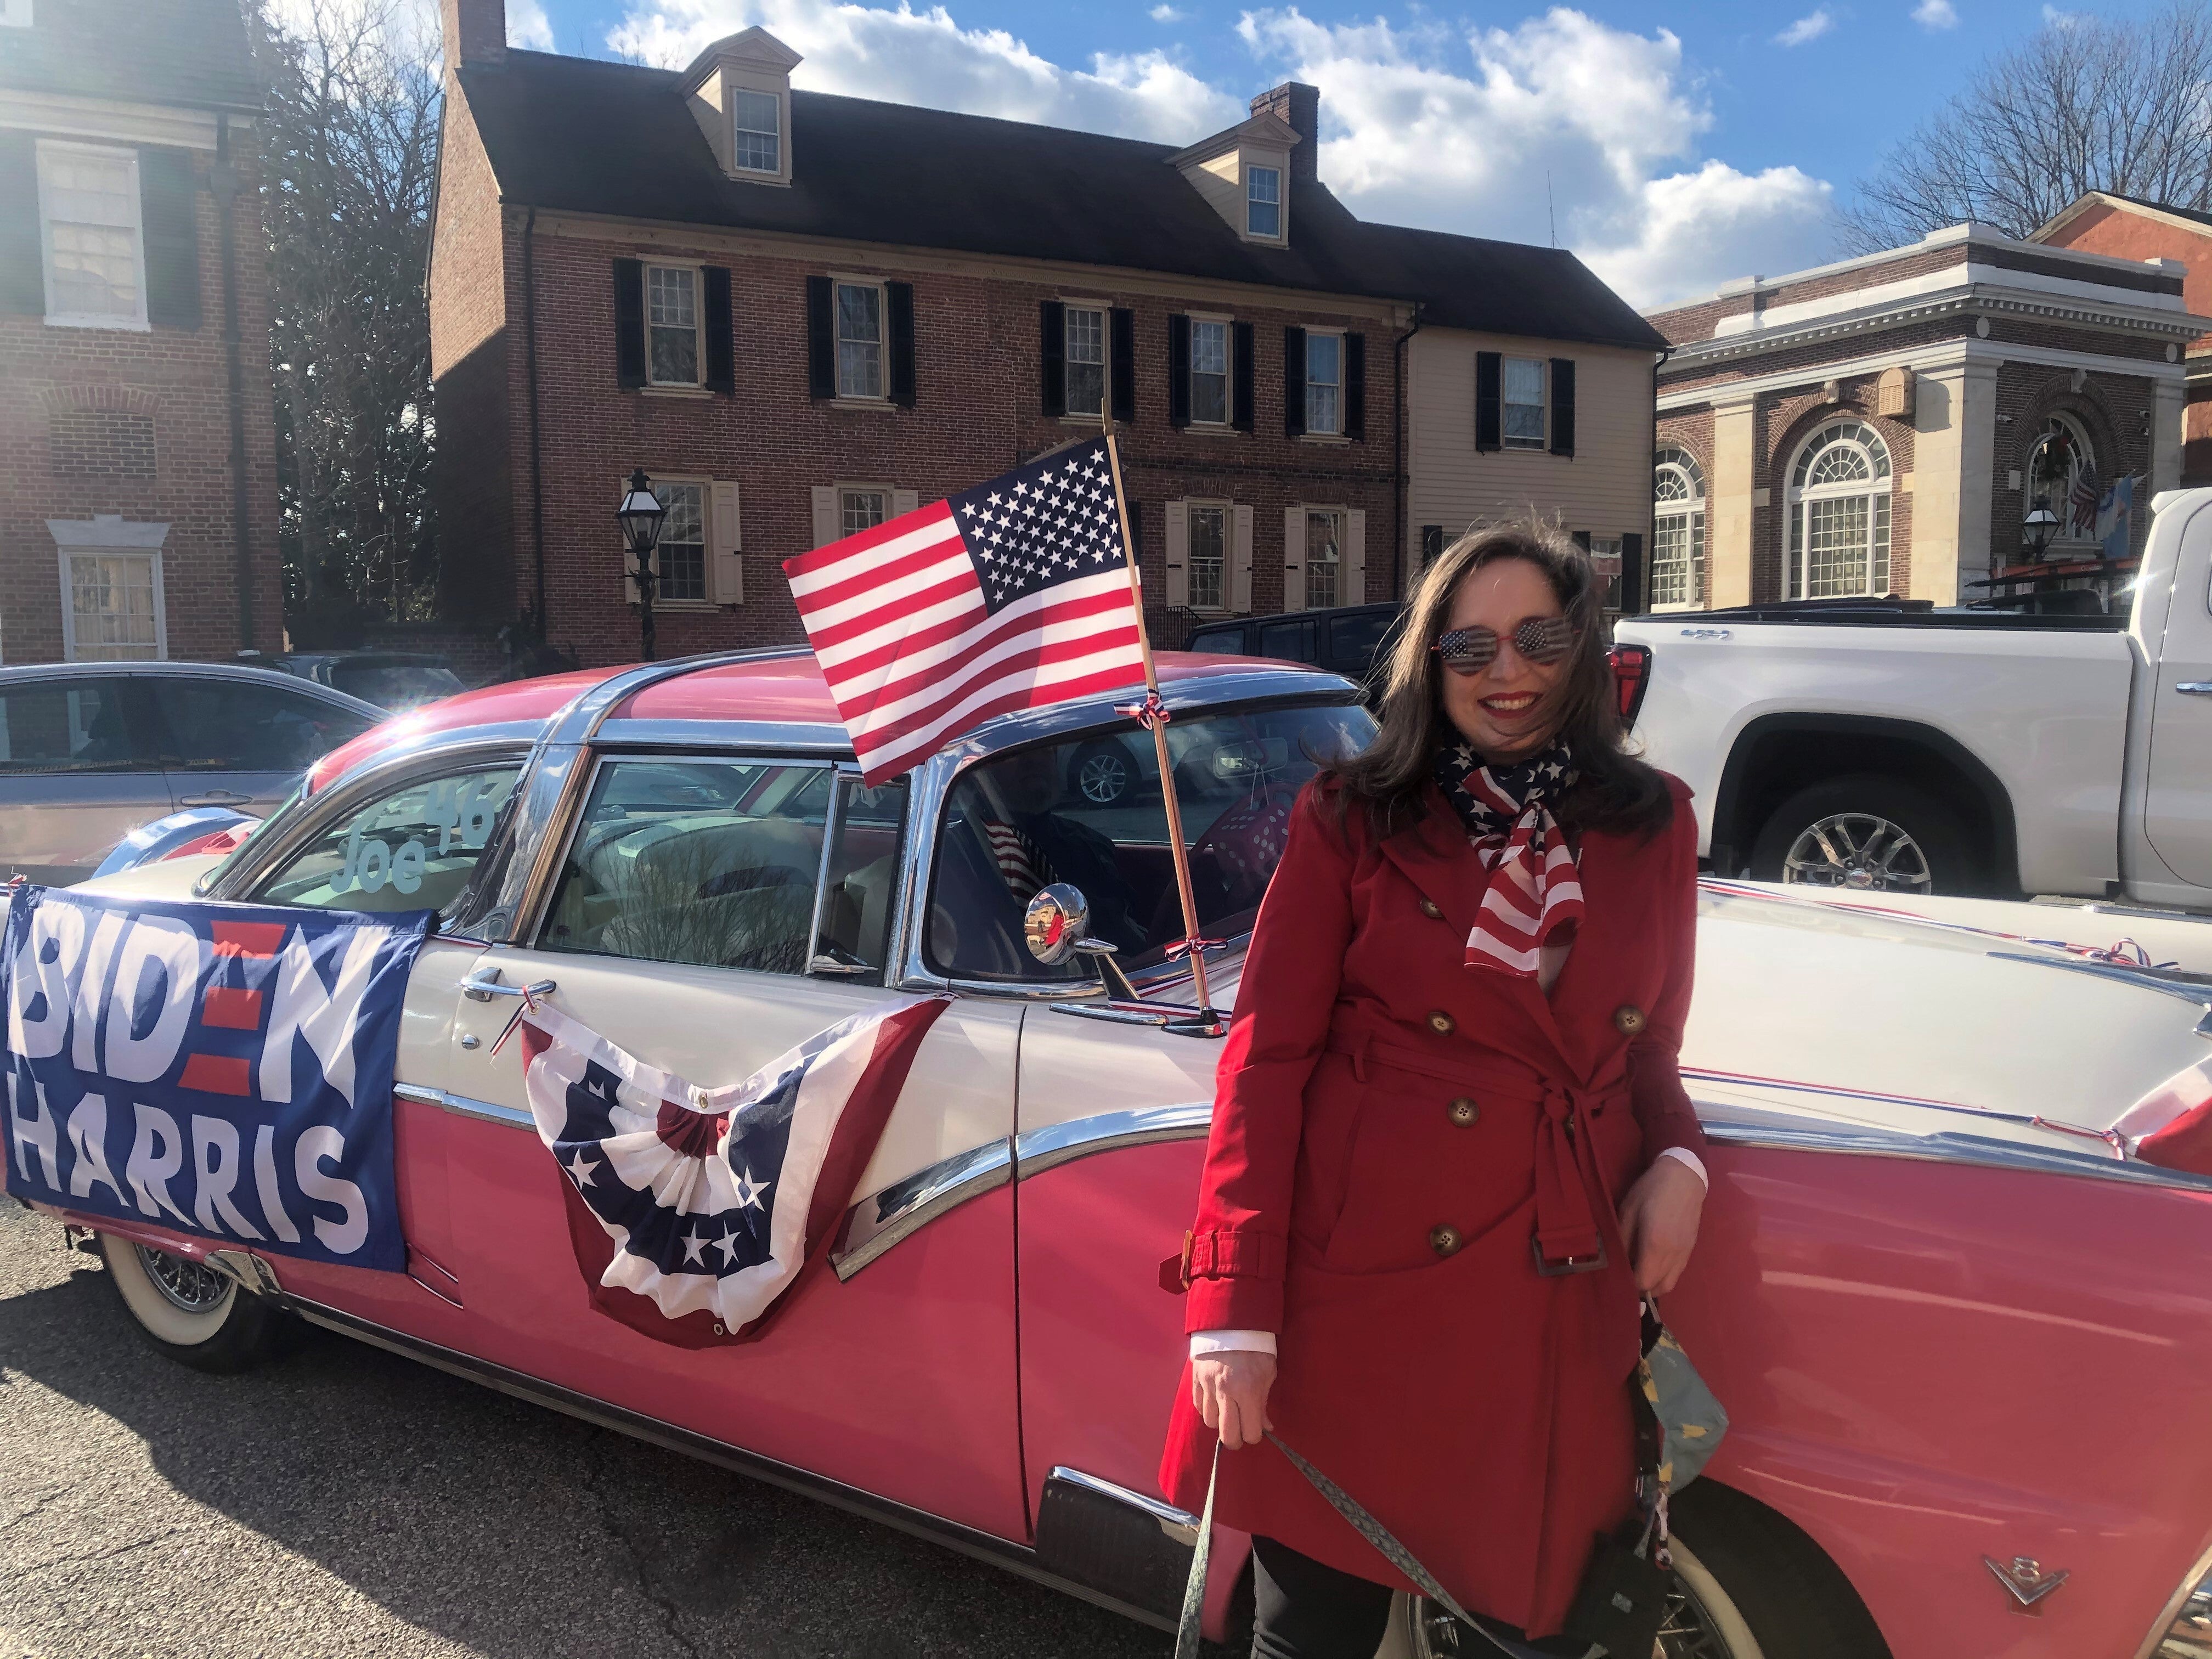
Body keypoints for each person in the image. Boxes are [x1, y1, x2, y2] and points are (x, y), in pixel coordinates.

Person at [1158, 523, 1709, 1658]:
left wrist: (1682, 1158)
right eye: (1471, 650)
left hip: (1561, 1283)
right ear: (1431, 665)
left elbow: (1651, 1040)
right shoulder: (1353, 817)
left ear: (1582, 649)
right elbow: (1265, 1062)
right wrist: (1232, 1308)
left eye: (1536, 639)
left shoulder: (1653, 824)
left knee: (1552, 1624)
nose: (1506, 674)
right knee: (1312, 1627)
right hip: (1360, 1294)